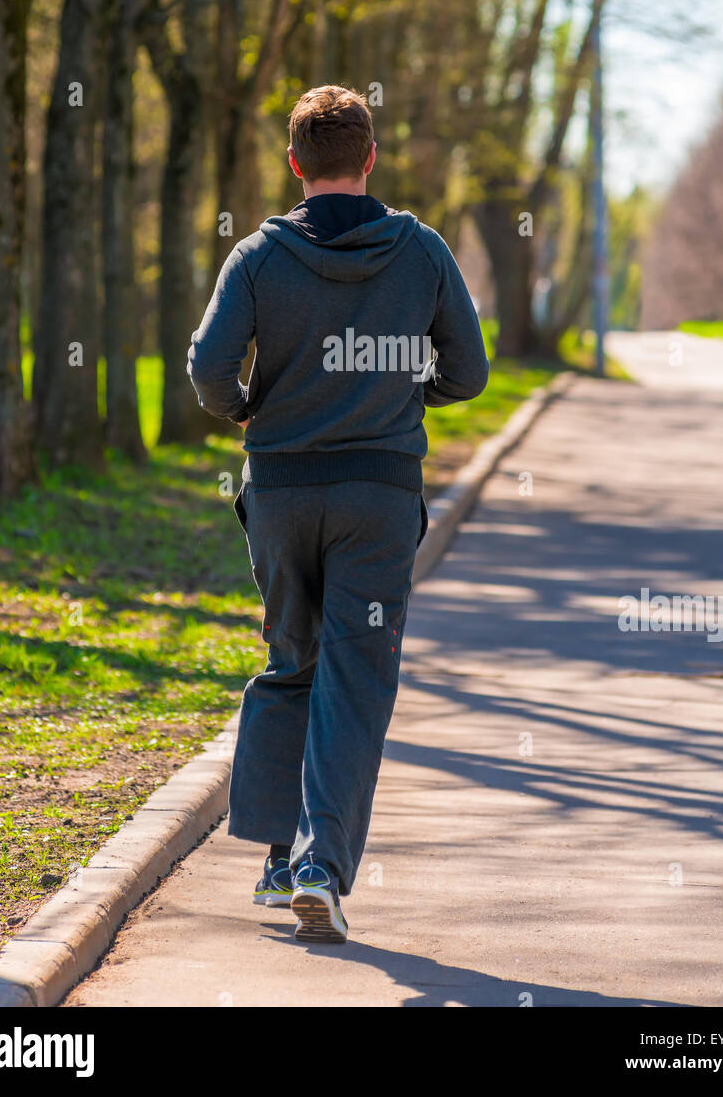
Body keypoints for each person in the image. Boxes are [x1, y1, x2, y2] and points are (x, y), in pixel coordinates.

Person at [187, 85, 489, 943]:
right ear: (368, 160)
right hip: (377, 496)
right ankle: (322, 865)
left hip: (279, 494)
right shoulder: (421, 252)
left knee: (291, 663)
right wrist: (405, 393)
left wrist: (249, 406)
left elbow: (208, 369)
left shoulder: (256, 257)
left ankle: (278, 864)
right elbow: (466, 374)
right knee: (354, 679)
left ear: (294, 164)